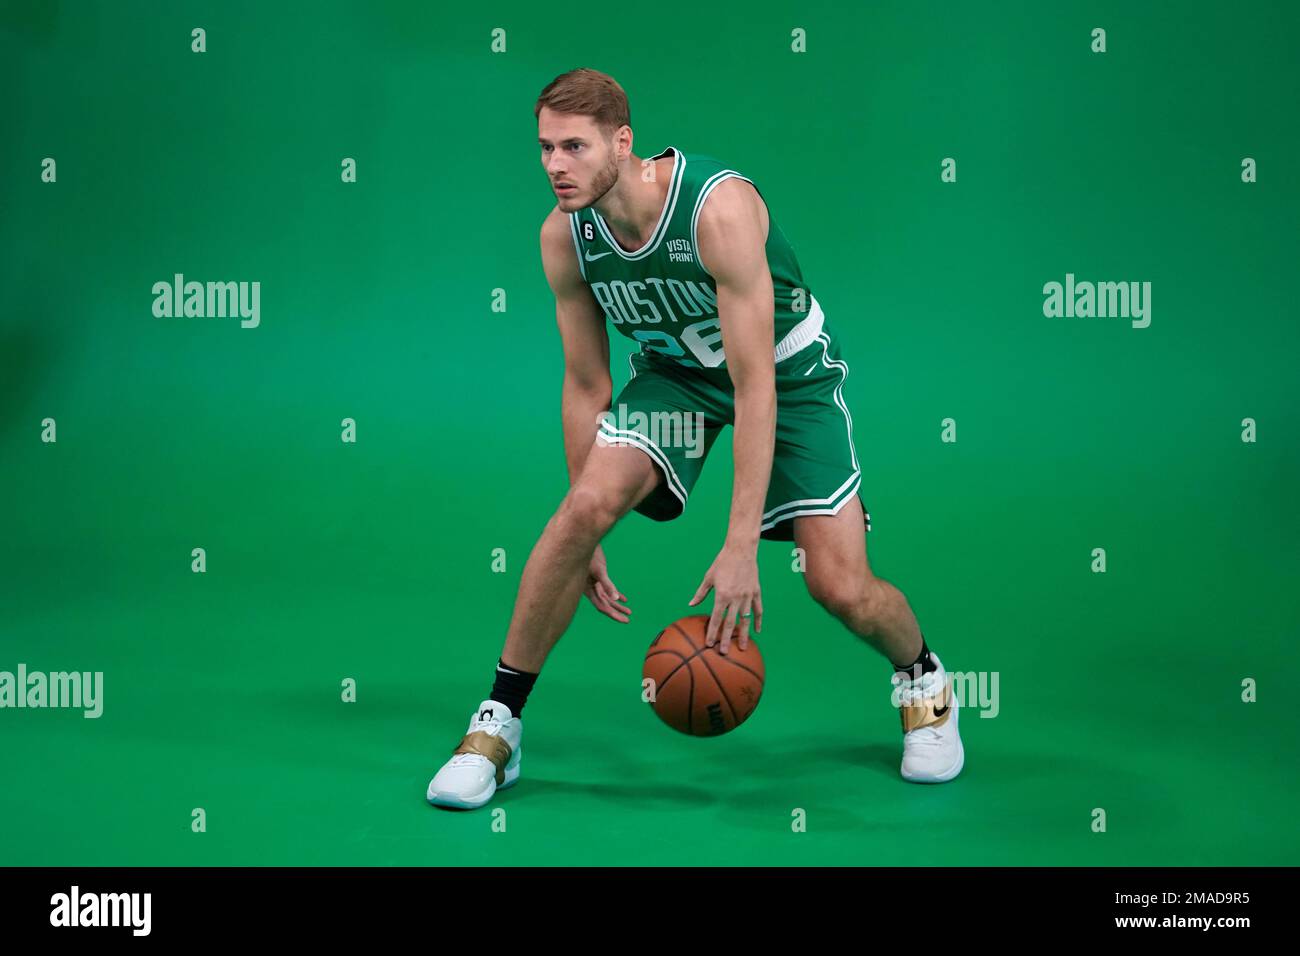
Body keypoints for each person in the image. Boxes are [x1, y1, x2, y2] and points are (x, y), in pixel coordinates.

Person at [427, 68, 963, 810]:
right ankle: (498, 726)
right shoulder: (565, 237)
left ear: (624, 141)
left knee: (839, 586)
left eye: (574, 147)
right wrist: (589, 525)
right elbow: (586, 384)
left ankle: (923, 677)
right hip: (678, 379)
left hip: (786, 375)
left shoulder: (719, 211)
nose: (555, 165)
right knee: (575, 514)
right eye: (545, 147)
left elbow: (756, 388)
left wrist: (741, 545)